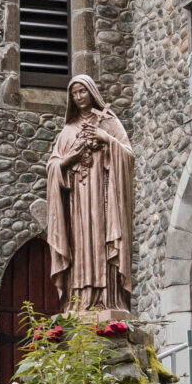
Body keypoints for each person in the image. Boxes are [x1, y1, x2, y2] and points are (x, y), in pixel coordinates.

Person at [45, 74, 136, 313]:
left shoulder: (109, 122)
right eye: (74, 93)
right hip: (77, 201)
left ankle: (109, 300)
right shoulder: (67, 131)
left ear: (91, 92)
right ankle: (79, 302)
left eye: (82, 91)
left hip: (104, 197)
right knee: (80, 243)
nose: (78, 97)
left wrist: (105, 139)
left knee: (101, 239)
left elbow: (128, 155)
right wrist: (68, 160)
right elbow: (53, 166)